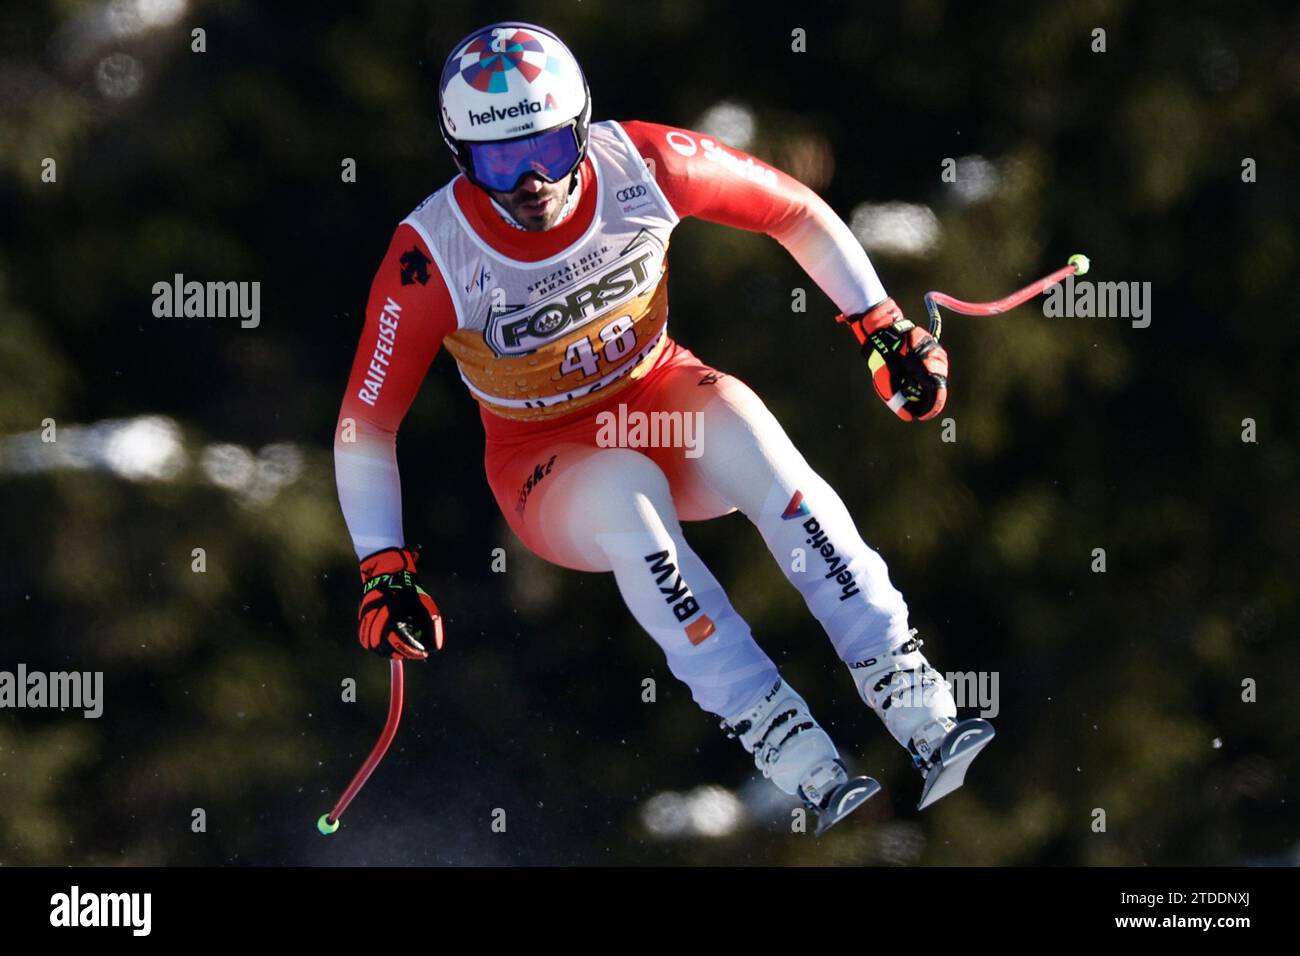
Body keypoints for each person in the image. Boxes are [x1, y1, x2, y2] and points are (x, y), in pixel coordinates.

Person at [333, 20, 993, 835]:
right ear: (460, 156)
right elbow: (367, 423)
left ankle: (909, 688)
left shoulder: (644, 163)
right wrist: (384, 568)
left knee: (756, 445)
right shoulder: (432, 254)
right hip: (547, 460)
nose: (532, 181)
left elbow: (792, 209)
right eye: (499, 161)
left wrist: (880, 326)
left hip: (660, 395)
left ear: (580, 126)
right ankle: (779, 734)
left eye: (544, 146)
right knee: (625, 498)